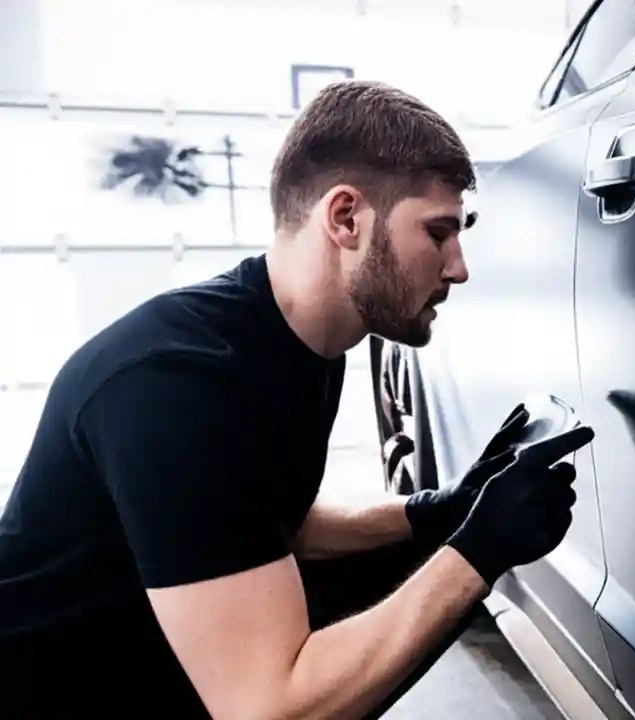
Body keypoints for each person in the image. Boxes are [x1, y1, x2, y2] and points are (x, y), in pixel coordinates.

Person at [0, 79, 593, 717]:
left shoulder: (304, 343)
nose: (459, 267)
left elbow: (265, 521)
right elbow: (267, 709)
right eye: (438, 233)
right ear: (345, 219)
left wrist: (436, 512)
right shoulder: (175, 385)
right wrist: (479, 551)